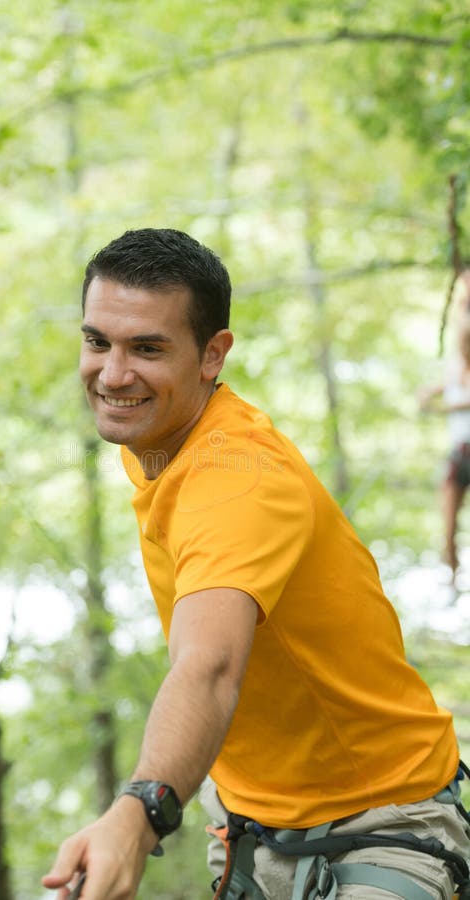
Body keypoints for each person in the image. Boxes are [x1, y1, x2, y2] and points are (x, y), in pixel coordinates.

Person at [43, 228, 470, 900]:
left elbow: (208, 667)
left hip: (385, 821)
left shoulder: (235, 477)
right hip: (249, 826)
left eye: (147, 349)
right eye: (98, 341)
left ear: (213, 355)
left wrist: (137, 815)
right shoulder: (159, 433)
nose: (113, 373)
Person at [420, 273, 470, 580]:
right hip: (459, 451)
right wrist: (431, 392)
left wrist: (442, 406)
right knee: (447, 524)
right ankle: (451, 575)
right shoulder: (455, 361)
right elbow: (450, 384)